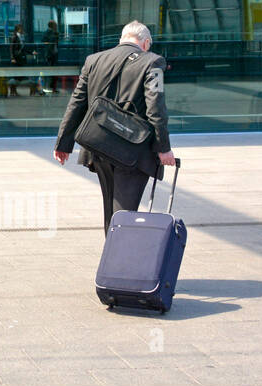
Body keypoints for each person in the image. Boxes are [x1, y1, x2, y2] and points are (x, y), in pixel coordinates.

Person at [54, 20, 177, 234]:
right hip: (132, 151)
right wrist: (163, 148)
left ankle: (113, 260)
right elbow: (155, 108)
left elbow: (77, 103)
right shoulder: (153, 62)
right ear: (146, 43)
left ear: (121, 39)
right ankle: (122, 264)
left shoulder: (94, 60)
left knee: (112, 213)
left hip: (98, 147)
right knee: (124, 214)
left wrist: (63, 144)